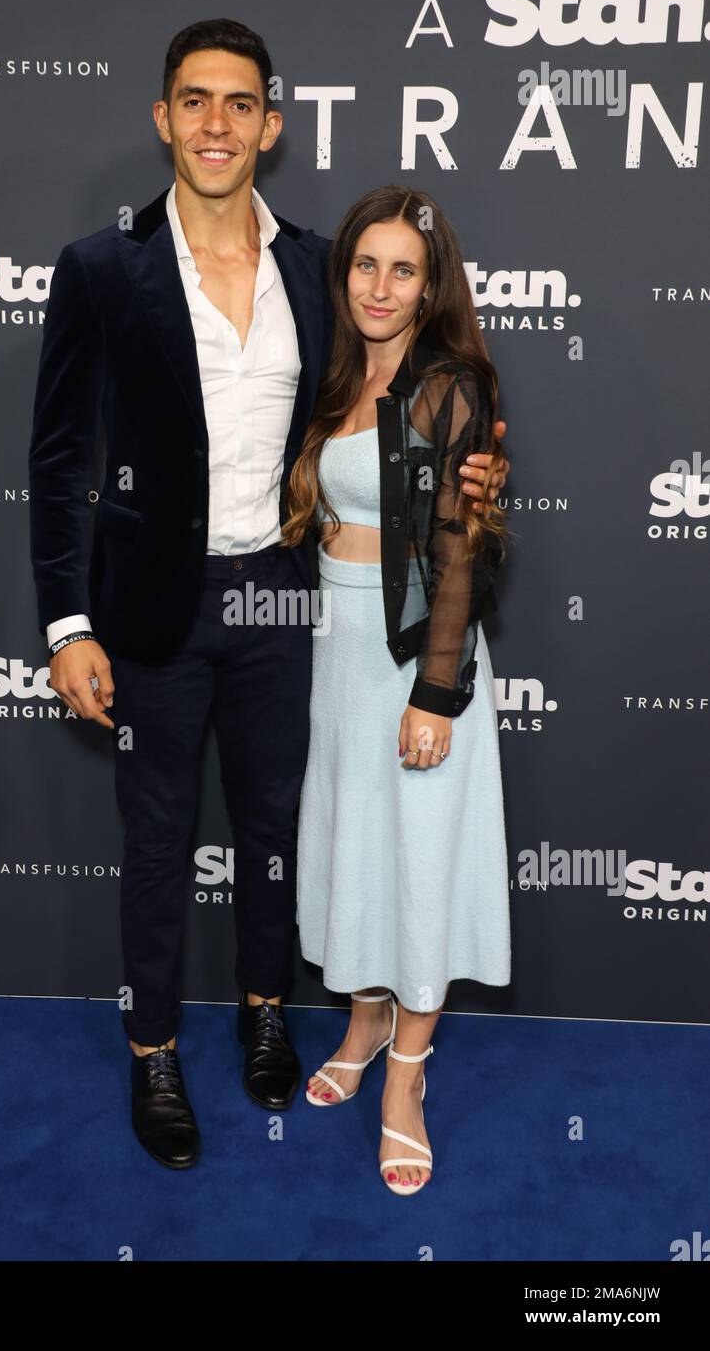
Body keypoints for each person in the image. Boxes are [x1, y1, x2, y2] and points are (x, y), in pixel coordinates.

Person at [28, 19, 511, 1171]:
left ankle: (260, 1010)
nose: (213, 123)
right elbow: (58, 463)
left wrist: (468, 472)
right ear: (161, 118)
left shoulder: (314, 266)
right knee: (154, 838)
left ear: (270, 126)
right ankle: (152, 1051)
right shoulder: (99, 267)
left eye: (238, 103)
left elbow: (398, 402)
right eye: (192, 100)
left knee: (273, 823)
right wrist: (65, 621)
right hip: (148, 604)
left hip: (288, 599)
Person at [283, 185, 511, 1196]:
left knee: (418, 858)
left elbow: (459, 545)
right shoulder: (331, 378)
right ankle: (365, 1018)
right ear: (344, 276)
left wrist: (437, 691)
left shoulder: (444, 383)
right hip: (336, 655)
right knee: (358, 847)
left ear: (430, 285)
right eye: (363, 265)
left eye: (401, 269)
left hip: (416, 656)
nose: (378, 287)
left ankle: (406, 1078)